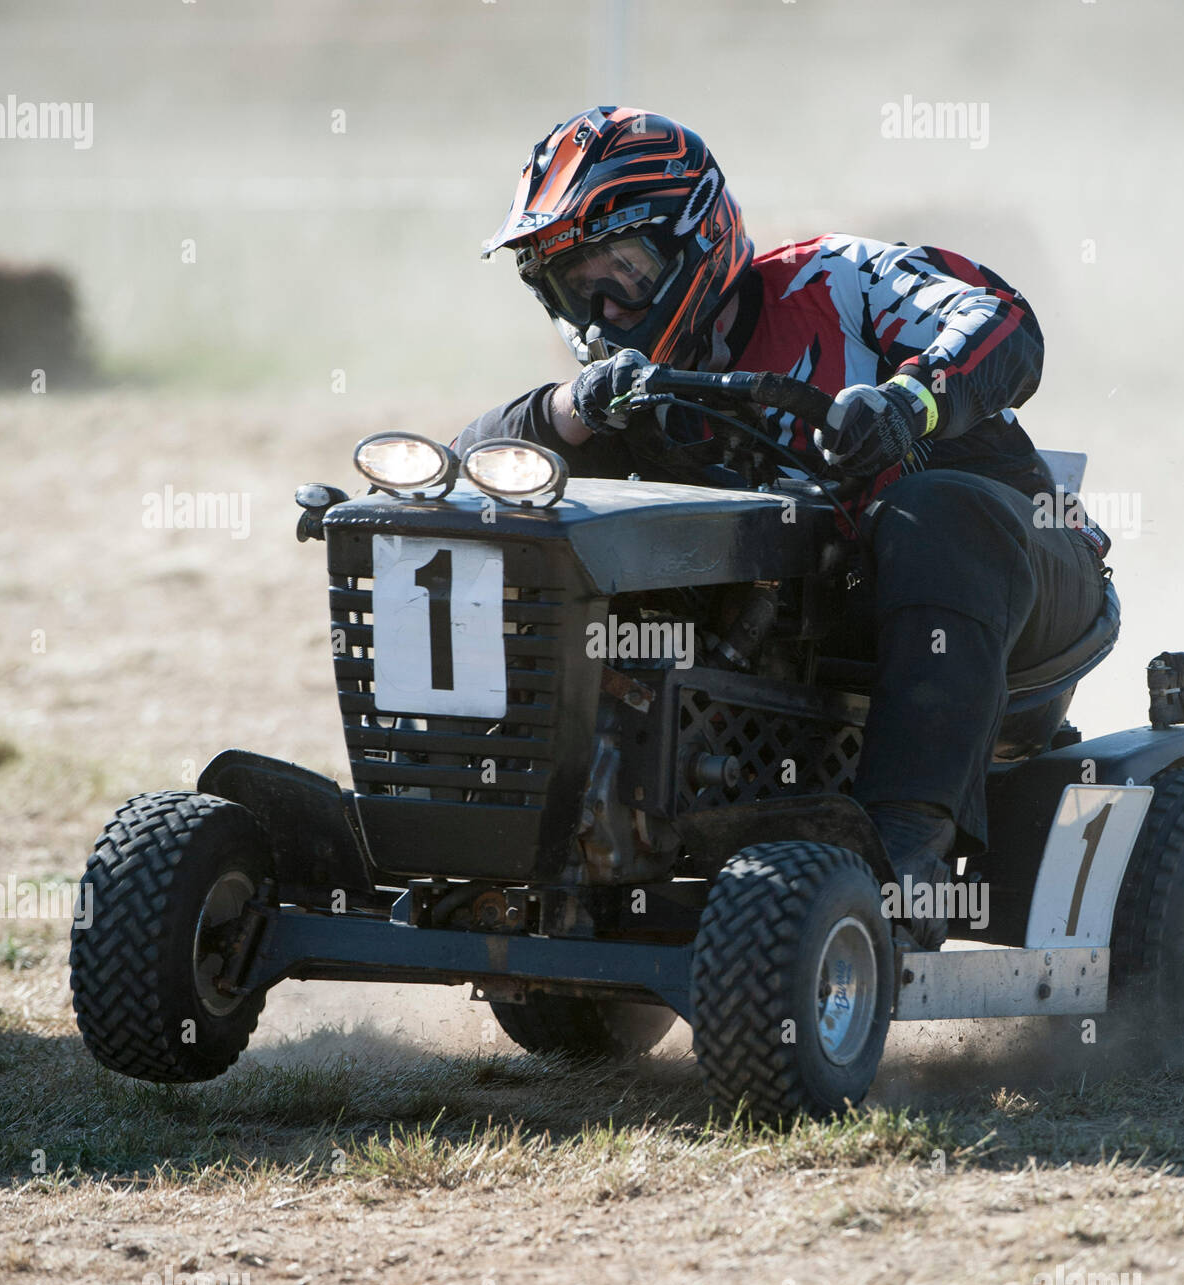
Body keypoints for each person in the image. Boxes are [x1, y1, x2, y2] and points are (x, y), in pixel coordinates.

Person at [459, 107, 1109, 950]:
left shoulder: (838, 282)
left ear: (696, 240)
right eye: (576, 285)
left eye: (622, 268)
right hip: (826, 632)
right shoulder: (627, 389)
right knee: (560, 532)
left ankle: (906, 847)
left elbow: (1007, 325)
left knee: (932, 507)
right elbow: (466, 467)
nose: (604, 306)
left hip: (1023, 586)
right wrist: (568, 411)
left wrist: (911, 403)